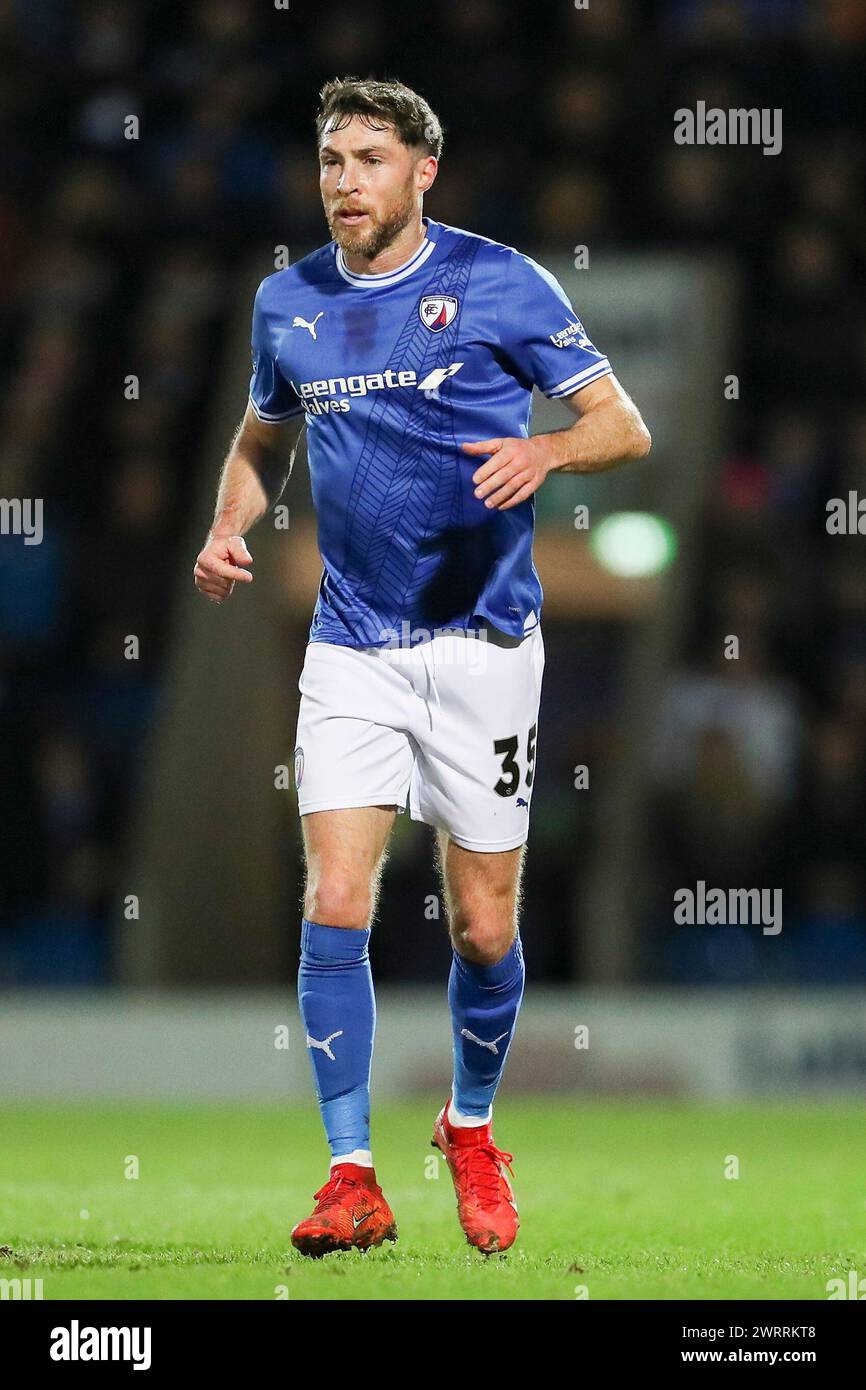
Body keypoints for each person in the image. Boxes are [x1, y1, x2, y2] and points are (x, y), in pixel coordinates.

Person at [194, 76, 650, 1257]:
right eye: (331, 159)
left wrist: (546, 452)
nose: (344, 181)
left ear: (422, 171)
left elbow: (622, 426)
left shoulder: (498, 281)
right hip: (352, 646)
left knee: (482, 929)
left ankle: (470, 1123)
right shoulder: (285, 303)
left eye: (368, 159)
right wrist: (228, 520)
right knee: (337, 898)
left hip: (485, 649)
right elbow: (262, 434)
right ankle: (351, 1174)